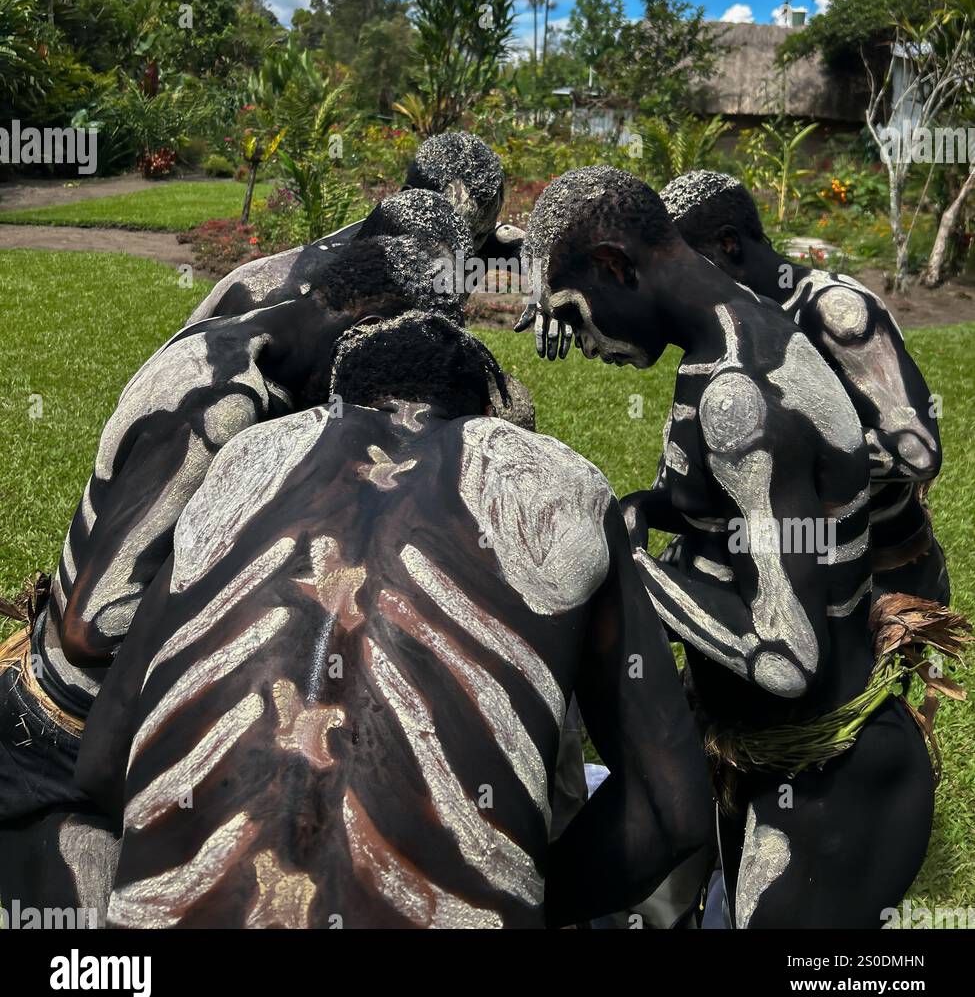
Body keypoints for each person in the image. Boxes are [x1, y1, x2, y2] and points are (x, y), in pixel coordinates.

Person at [77, 312, 711, 929]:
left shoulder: (245, 463)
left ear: (335, 404)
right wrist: (528, 904)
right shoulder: (555, 486)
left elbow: (103, 766)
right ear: (484, 419)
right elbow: (672, 811)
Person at [520, 166, 936, 929]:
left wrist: (624, 569)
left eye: (574, 314)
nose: (580, 342)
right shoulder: (729, 336)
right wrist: (645, 512)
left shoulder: (738, 394)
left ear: (613, 266)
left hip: (824, 785)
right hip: (765, 764)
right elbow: (710, 510)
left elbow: (783, 655)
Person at [0, 233, 464, 843]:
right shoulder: (223, 401)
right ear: (365, 321)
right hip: (64, 728)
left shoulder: (263, 354)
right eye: (389, 363)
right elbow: (92, 629)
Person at [657, 170, 947, 604]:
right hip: (782, 567)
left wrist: (791, 460)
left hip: (883, 578)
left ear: (729, 244)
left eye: (689, 265)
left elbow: (918, 450)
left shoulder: (836, 310)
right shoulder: (730, 324)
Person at [185, 131, 522, 325]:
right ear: (405, 204)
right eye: (453, 234)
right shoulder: (300, 293)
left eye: (476, 238)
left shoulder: (447, 253)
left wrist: (554, 284)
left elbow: (505, 246)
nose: (465, 255)